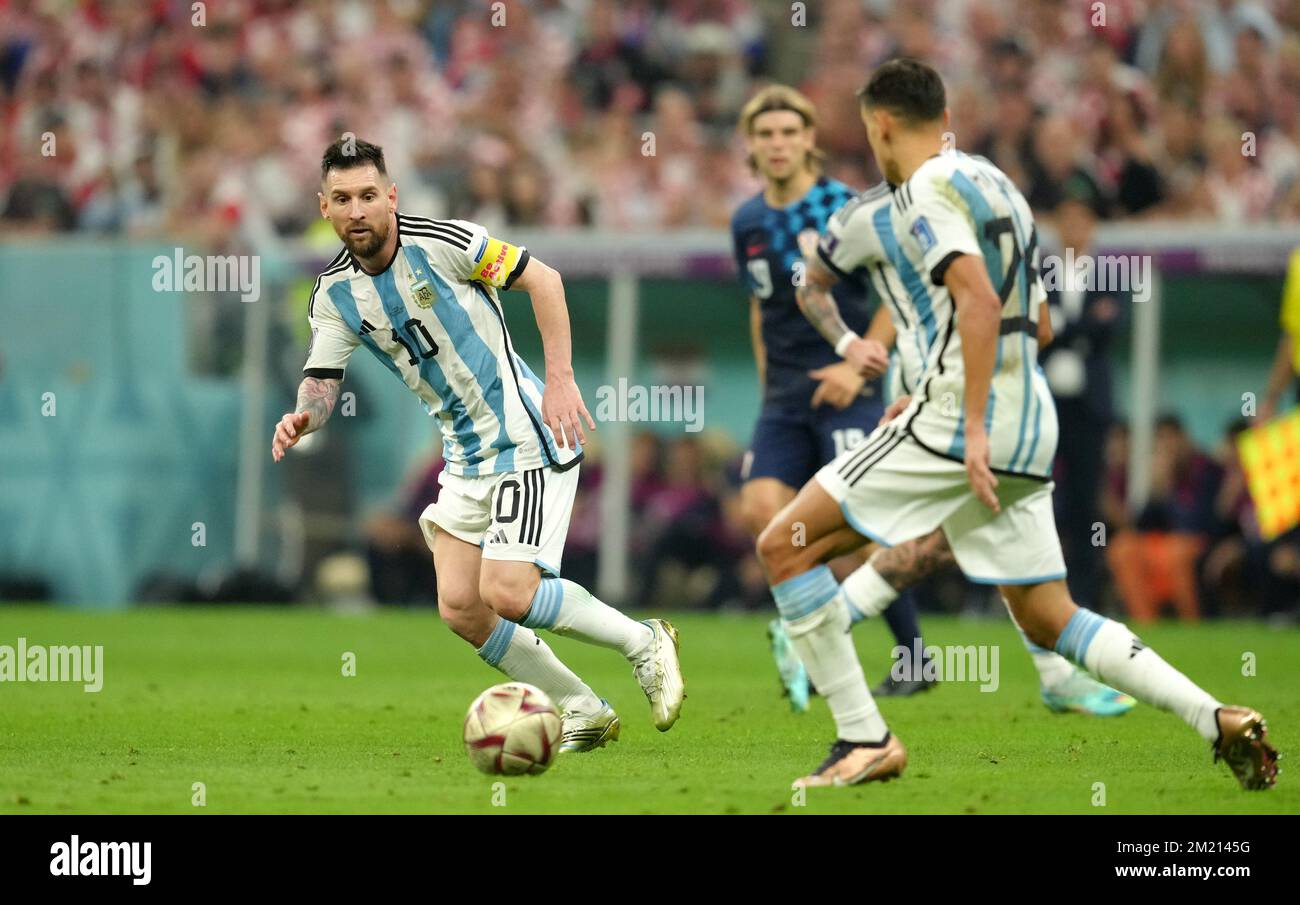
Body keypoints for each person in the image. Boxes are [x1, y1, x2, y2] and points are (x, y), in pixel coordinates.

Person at [754, 59, 1277, 790]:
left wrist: (965, 423)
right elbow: (1034, 319)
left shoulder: (920, 193)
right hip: (1032, 419)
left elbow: (974, 299)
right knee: (1047, 614)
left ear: (879, 125)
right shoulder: (997, 183)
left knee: (784, 544)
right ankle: (1214, 715)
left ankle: (863, 737)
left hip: (960, 420)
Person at [272, 138, 685, 752]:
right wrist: (304, 417)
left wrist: (562, 381)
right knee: (462, 606)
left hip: (525, 437)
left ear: (391, 197)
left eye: (367, 196)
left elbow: (544, 280)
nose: (356, 210)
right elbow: (322, 381)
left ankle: (643, 642)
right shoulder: (333, 295)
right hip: (463, 458)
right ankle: (582, 707)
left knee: (508, 592)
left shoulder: (446, 243)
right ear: (324, 208)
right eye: (341, 199)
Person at [802, 170, 1133, 717]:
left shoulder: (929, 245)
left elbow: (1050, 330)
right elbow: (1037, 331)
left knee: (975, 532)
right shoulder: (956, 258)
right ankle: (819, 635)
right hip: (959, 411)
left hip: (975, 408)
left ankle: (821, 633)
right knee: (949, 536)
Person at [731, 84, 936, 707]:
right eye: (766, 134)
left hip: (848, 389)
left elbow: (899, 296)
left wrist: (858, 370)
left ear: (809, 139)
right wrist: (769, 388)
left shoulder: (844, 208)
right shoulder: (747, 222)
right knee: (764, 512)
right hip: (785, 397)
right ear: (752, 144)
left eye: (789, 132)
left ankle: (914, 657)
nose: (778, 144)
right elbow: (760, 308)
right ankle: (821, 647)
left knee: (862, 527)